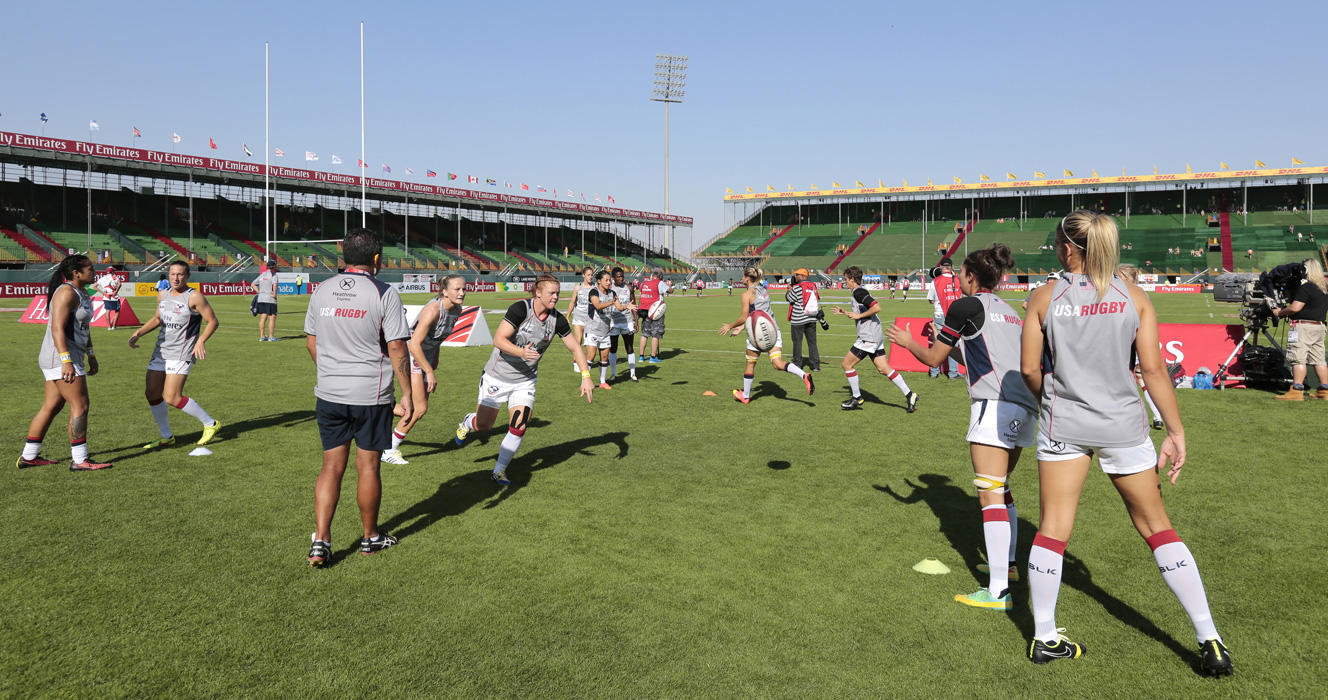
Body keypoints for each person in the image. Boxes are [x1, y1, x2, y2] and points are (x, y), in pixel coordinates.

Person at [1019, 210, 1231, 675]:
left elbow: (1031, 371)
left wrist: (1052, 402)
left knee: (1053, 529)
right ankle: (1209, 637)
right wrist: (1175, 432)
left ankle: (1045, 636)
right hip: (1123, 427)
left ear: (1067, 248)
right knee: (1158, 527)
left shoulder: (1041, 298)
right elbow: (1153, 371)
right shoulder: (1134, 296)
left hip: (1064, 426)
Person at [889, 247, 1028, 609]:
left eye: (961, 275)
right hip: (1023, 407)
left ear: (969, 277)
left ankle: (997, 591)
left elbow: (934, 359)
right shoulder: (1009, 312)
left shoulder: (965, 306)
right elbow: (975, 358)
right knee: (1003, 487)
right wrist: (945, 345)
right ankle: (1009, 567)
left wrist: (909, 344)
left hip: (993, 405)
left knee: (989, 492)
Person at [303, 229, 412, 567]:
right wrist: (407, 393)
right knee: (368, 466)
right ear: (376, 260)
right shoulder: (384, 293)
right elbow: (396, 347)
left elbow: (311, 342)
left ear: (342, 254)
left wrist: (334, 372)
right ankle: (370, 537)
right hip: (371, 395)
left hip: (330, 394)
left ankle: (321, 541)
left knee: (330, 467)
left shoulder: (322, 290)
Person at [453, 274, 595, 485]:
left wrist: (585, 376)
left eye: (558, 293)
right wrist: (521, 352)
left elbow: (575, 346)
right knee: (484, 425)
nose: (556, 297)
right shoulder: (520, 309)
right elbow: (498, 339)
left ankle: (499, 470)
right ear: (538, 292)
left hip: (525, 381)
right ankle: (468, 422)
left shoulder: (558, 319)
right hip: (497, 376)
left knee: (519, 425)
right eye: (552, 293)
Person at [18, 255, 112, 471]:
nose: (93, 271)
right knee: (81, 405)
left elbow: (83, 327)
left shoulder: (82, 293)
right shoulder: (66, 292)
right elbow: (57, 328)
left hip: (69, 355)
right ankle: (80, 460)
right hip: (60, 357)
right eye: (89, 268)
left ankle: (29, 457)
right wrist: (66, 361)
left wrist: (91, 353)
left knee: (52, 406)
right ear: (76, 273)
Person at [130, 261, 222, 449]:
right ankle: (167, 436)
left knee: (172, 397)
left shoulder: (194, 297)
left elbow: (212, 321)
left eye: (180, 274)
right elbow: (157, 319)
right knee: (152, 393)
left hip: (182, 351)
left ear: (187, 276)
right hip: (161, 351)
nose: (175, 278)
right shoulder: (162, 295)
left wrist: (201, 340)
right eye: (172, 274)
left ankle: (210, 424)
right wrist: (138, 333)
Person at [382, 274, 466, 465]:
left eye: (464, 289)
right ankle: (389, 449)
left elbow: (437, 339)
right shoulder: (432, 310)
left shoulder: (457, 309)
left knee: (412, 408)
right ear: (444, 291)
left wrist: (434, 360)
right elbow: (413, 345)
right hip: (413, 355)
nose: (462, 293)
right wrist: (428, 370)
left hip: (425, 357)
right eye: (457, 289)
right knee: (419, 409)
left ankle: (382, 409)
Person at [719, 266, 814, 404]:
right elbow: (759, 313)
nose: (741, 278)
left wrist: (730, 326)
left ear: (746, 278)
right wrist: (741, 328)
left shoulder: (746, 295)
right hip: (773, 330)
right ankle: (804, 375)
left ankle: (745, 396)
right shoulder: (763, 290)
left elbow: (745, 316)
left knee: (750, 363)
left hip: (758, 334)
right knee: (777, 363)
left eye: (742, 276)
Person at [834, 266, 918, 413]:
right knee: (883, 368)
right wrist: (846, 312)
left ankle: (857, 398)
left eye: (846, 279)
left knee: (847, 364)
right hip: (874, 335)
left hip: (869, 337)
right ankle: (911, 395)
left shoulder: (859, 292)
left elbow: (876, 307)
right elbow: (862, 311)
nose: (845, 282)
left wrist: (858, 316)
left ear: (852, 279)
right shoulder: (859, 292)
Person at [1116, 264, 1166, 427]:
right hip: (1138, 341)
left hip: (1130, 342)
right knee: (1141, 380)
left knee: (1133, 379)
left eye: (1116, 276)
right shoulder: (1140, 294)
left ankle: (1129, 417)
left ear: (1124, 277)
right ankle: (1157, 415)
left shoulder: (1126, 294)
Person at [1272, 258, 1328, 400]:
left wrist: (1280, 312)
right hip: (1319, 327)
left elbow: (1295, 307)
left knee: (1298, 358)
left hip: (1304, 327)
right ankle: (1324, 390)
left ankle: (1296, 390)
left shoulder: (1306, 287)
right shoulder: (1324, 288)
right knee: (1319, 360)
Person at [926, 258, 963, 378]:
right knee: (953, 344)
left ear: (941, 267)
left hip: (939, 314)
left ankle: (934, 372)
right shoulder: (958, 280)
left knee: (938, 342)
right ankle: (953, 373)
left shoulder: (935, 281)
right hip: (955, 315)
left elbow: (931, 300)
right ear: (951, 267)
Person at [583, 270, 618, 390]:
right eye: (606, 280)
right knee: (591, 356)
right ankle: (585, 381)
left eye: (610, 280)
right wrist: (611, 302)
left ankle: (602, 382)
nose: (609, 282)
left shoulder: (612, 293)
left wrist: (626, 307)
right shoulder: (594, 291)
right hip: (592, 329)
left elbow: (619, 307)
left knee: (604, 357)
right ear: (599, 281)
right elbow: (597, 306)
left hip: (606, 330)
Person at [607, 267, 639, 383]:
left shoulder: (629, 288)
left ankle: (633, 374)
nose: (621, 278)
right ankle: (613, 374)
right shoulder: (609, 289)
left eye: (622, 276)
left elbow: (634, 305)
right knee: (613, 348)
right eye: (618, 276)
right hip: (613, 322)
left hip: (627, 322)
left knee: (629, 347)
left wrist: (636, 321)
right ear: (613, 278)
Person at [786, 268, 822, 372]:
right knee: (812, 343)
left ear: (802, 276)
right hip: (812, 318)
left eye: (797, 275)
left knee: (797, 342)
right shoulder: (813, 286)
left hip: (798, 319)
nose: (795, 277)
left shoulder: (798, 287)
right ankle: (815, 365)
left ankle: (797, 364)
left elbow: (789, 298)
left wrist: (789, 290)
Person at [637, 268, 670, 364]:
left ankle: (641, 357)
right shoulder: (659, 283)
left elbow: (641, 289)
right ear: (659, 276)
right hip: (655, 311)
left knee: (645, 334)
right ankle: (652, 357)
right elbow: (670, 291)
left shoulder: (644, 283)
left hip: (643, 310)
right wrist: (669, 287)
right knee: (656, 334)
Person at [566, 267, 595, 372]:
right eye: (588, 274)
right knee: (578, 341)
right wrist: (567, 316)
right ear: (583, 275)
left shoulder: (595, 288)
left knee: (589, 343)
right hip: (578, 318)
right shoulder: (578, 287)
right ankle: (576, 363)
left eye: (592, 274)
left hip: (590, 319)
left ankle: (587, 363)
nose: (590, 276)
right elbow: (572, 302)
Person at [250, 263, 279, 341]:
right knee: (272, 317)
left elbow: (253, 284)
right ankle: (271, 337)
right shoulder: (274, 275)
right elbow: (275, 285)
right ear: (274, 266)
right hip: (270, 298)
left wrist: (259, 292)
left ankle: (262, 336)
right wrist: (275, 294)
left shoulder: (262, 275)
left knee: (263, 317)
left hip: (261, 298)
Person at [95, 266, 123, 330]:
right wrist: (116, 291)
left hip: (106, 297)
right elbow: (120, 284)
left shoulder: (102, 278)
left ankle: (109, 327)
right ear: (112, 272)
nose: (115, 272)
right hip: (114, 297)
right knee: (117, 311)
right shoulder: (114, 276)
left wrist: (102, 292)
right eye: (114, 271)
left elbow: (94, 286)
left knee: (108, 311)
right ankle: (114, 326)